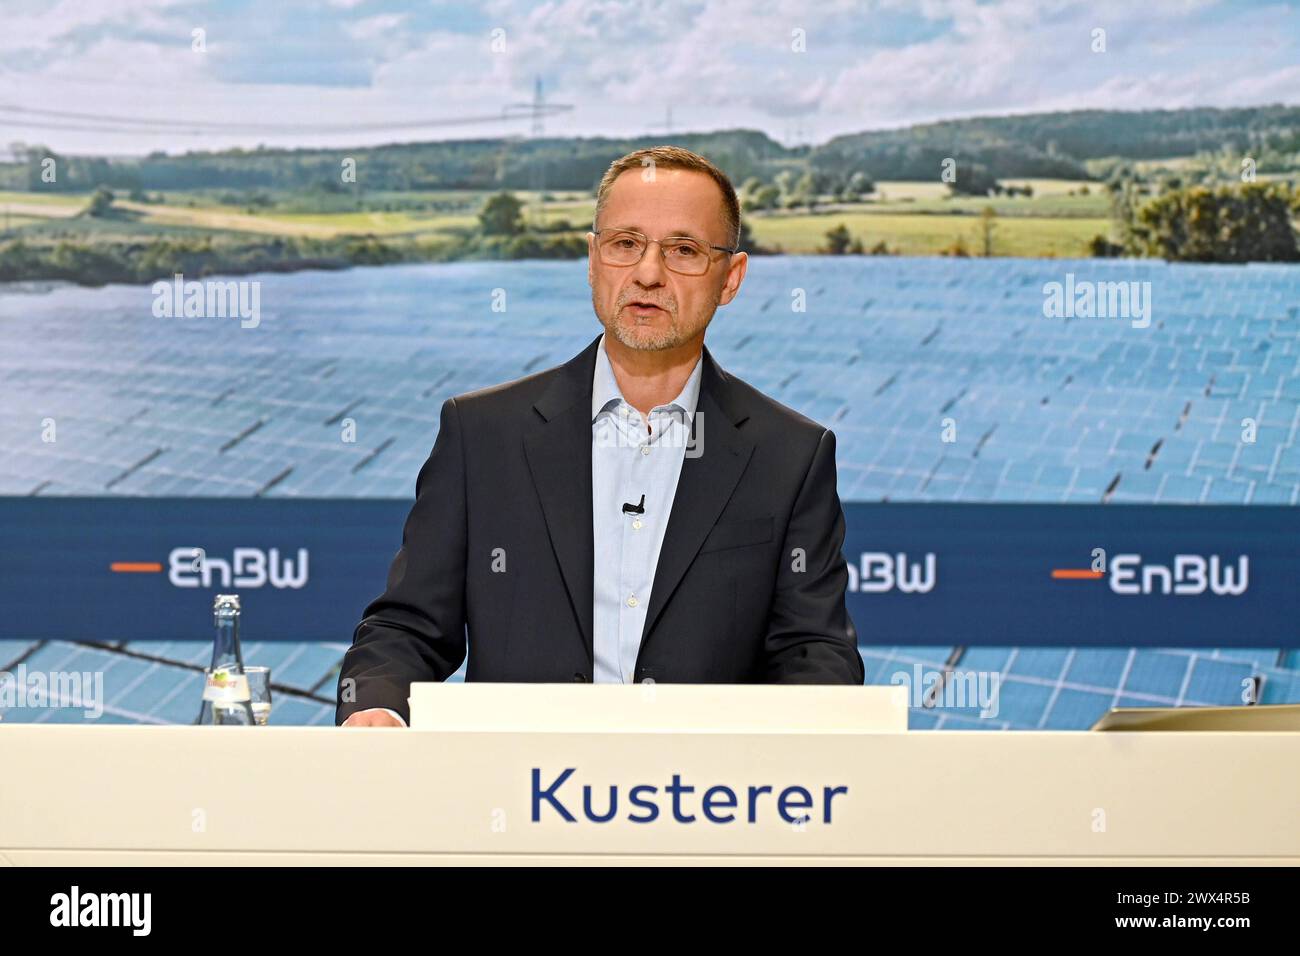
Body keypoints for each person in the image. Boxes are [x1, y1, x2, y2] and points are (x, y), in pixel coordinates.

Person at [338, 145, 862, 727]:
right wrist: (378, 702)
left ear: (730, 278)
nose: (647, 273)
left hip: (701, 803)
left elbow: (813, 653)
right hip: (517, 796)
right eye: (625, 243)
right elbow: (406, 627)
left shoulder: (789, 455)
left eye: (684, 250)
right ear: (593, 260)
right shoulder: (483, 435)